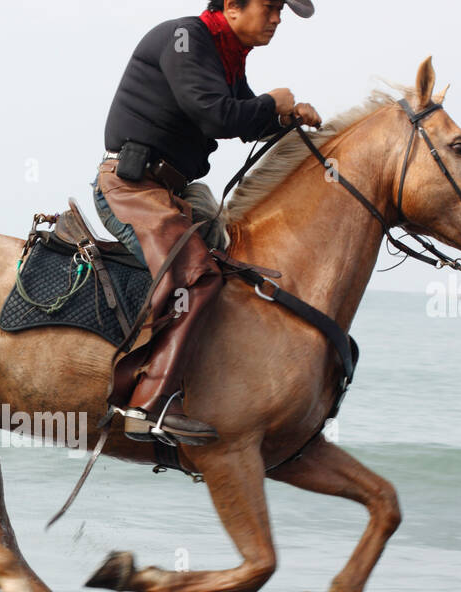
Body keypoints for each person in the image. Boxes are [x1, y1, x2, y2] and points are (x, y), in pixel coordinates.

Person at [94, 0, 322, 445]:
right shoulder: (185, 38)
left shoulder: (225, 54)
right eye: (271, 7)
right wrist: (271, 102)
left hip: (175, 193)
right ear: (233, 6)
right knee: (195, 278)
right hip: (133, 190)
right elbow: (215, 115)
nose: (278, 19)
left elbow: (241, 119)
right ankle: (146, 405)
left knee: (239, 267)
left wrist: (284, 118)